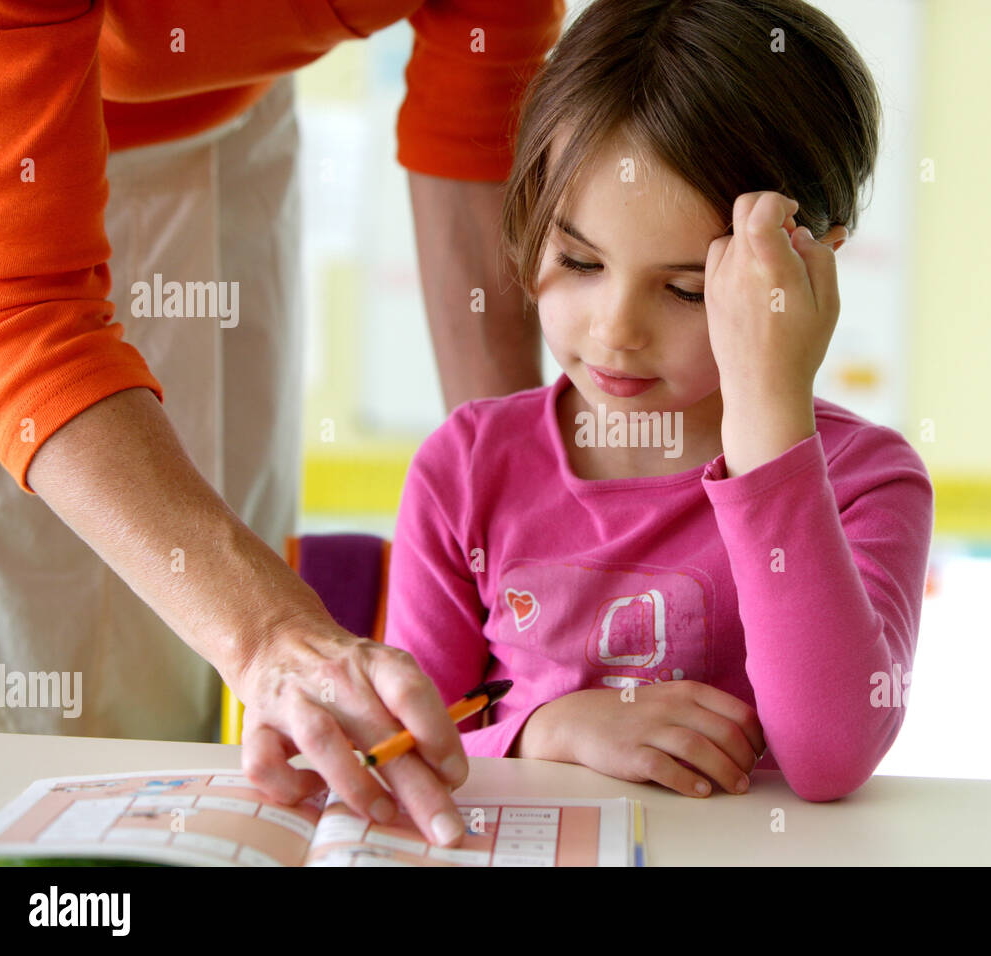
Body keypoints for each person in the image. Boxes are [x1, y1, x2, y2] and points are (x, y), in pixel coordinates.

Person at [0, 1, 562, 850]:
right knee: (58, 708)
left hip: (238, 119)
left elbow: (472, 116)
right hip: (13, 146)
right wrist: (271, 635)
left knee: (209, 616)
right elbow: (21, 315)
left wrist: (525, 528)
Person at [384, 0, 934, 803]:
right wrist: (546, 732)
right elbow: (408, 747)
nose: (614, 331)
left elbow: (830, 758)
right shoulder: (463, 468)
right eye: (578, 261)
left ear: (808, 271)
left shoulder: (868, 481)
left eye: (684, 289)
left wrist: (770, 417)